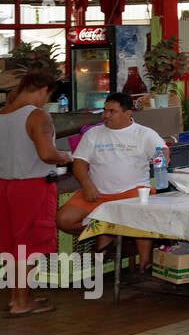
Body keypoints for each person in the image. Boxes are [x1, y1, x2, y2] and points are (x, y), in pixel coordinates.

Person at [55, 92, 167, 273]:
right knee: (64, 220)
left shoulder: (144, 133)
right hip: (96, 194)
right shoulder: (93, 134)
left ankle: (144, 262)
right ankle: (105, 230)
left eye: (112, 111)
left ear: (127, 113)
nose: (106, 115)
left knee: (142, 217)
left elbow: (161, 150)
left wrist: (162, 157)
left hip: (133, 193)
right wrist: (87, 185)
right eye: (105, 111)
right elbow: (79, 163)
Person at [1, 71, 72, 317]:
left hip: (5, 186)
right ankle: (21, 303)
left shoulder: (3, 114)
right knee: (29, 244)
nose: (46, 100)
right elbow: (46, 154)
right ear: (43, 90)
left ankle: (16, 297)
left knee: (11, 244)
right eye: (48, 95)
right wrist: (65, 156)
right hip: (32, 187)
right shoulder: (37, 115)